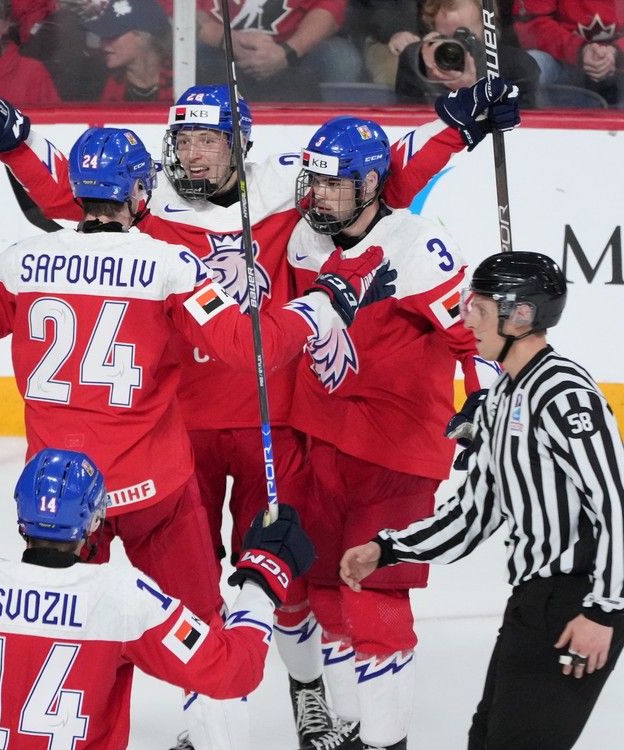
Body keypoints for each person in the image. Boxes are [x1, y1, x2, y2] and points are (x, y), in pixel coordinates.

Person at [0, 76, 519, 747]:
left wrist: (456, 126)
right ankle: (190, 711)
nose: (193, 156)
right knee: (194, 590)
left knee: (280, 568)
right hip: (174, 429)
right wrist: (12, 139)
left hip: (269, 421)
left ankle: (305, 691)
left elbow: (380, 174)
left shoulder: (285, 186)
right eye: (183, 139)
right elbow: (70, 187)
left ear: (239, 144)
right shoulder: (143, 192)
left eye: (208, 140)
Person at [0, 125, 392, 750]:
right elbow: (251, 351)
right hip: (153, 493)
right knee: (204, 630)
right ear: (139, 193)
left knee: (69, 630)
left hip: (55, 507)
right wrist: (327, 301)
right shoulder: (169, 266)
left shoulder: (21, 262)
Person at [276, 106, 526, 749]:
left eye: (333, 183)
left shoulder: (419, 248)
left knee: (372, 591)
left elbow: (476, 338)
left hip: (394, 454)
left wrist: (484, 402)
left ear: (367, 185)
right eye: (313, 180)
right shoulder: (306, 238)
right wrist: (457, 127)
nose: (317, 195)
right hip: (318, 435)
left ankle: (386, 741)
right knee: (325, 585)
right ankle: (352, 721)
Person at [341, 251, 624, 749]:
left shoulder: (564, 395)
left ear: (521, 315)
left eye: (481, 309)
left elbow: (615, 505)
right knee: (488, 738)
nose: (467, 318)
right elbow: (474, 513)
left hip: (578, 599)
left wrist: (603, 611)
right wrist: (386, 549)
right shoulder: (501, 398)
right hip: (533, 598)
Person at [0, 447, 316, 748]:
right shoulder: (121, 597)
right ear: (95, 523)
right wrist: (262, 578)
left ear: (20, 520)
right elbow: (231, 673)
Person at [195, 0, 361, 102]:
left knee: (342, 59)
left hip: (293, 48)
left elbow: (329, 8)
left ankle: (332, 133)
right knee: (187, 50)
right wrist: (226, 39)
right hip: (217, 45)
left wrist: (288, 51)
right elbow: (178, 11)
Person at [394, 0, 539, 107]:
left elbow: (520, 132)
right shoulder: (416, 61)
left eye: (466, 38)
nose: (454, 52)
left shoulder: (517, 66)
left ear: (486, 23)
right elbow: (409, 124)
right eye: (447, 40)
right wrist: (426, 74)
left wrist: (475, 91)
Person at [515, 0, 623, 106]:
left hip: (620, 71)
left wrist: (617, 53)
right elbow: (532, 24)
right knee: (534, 65)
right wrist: (579, 50)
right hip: (563, 63)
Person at [85, 0, 173, 103]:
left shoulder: (186, 77)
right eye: (102, 35)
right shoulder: (93, 80)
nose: (103, 43)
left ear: (143, 36)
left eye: (112, 34)